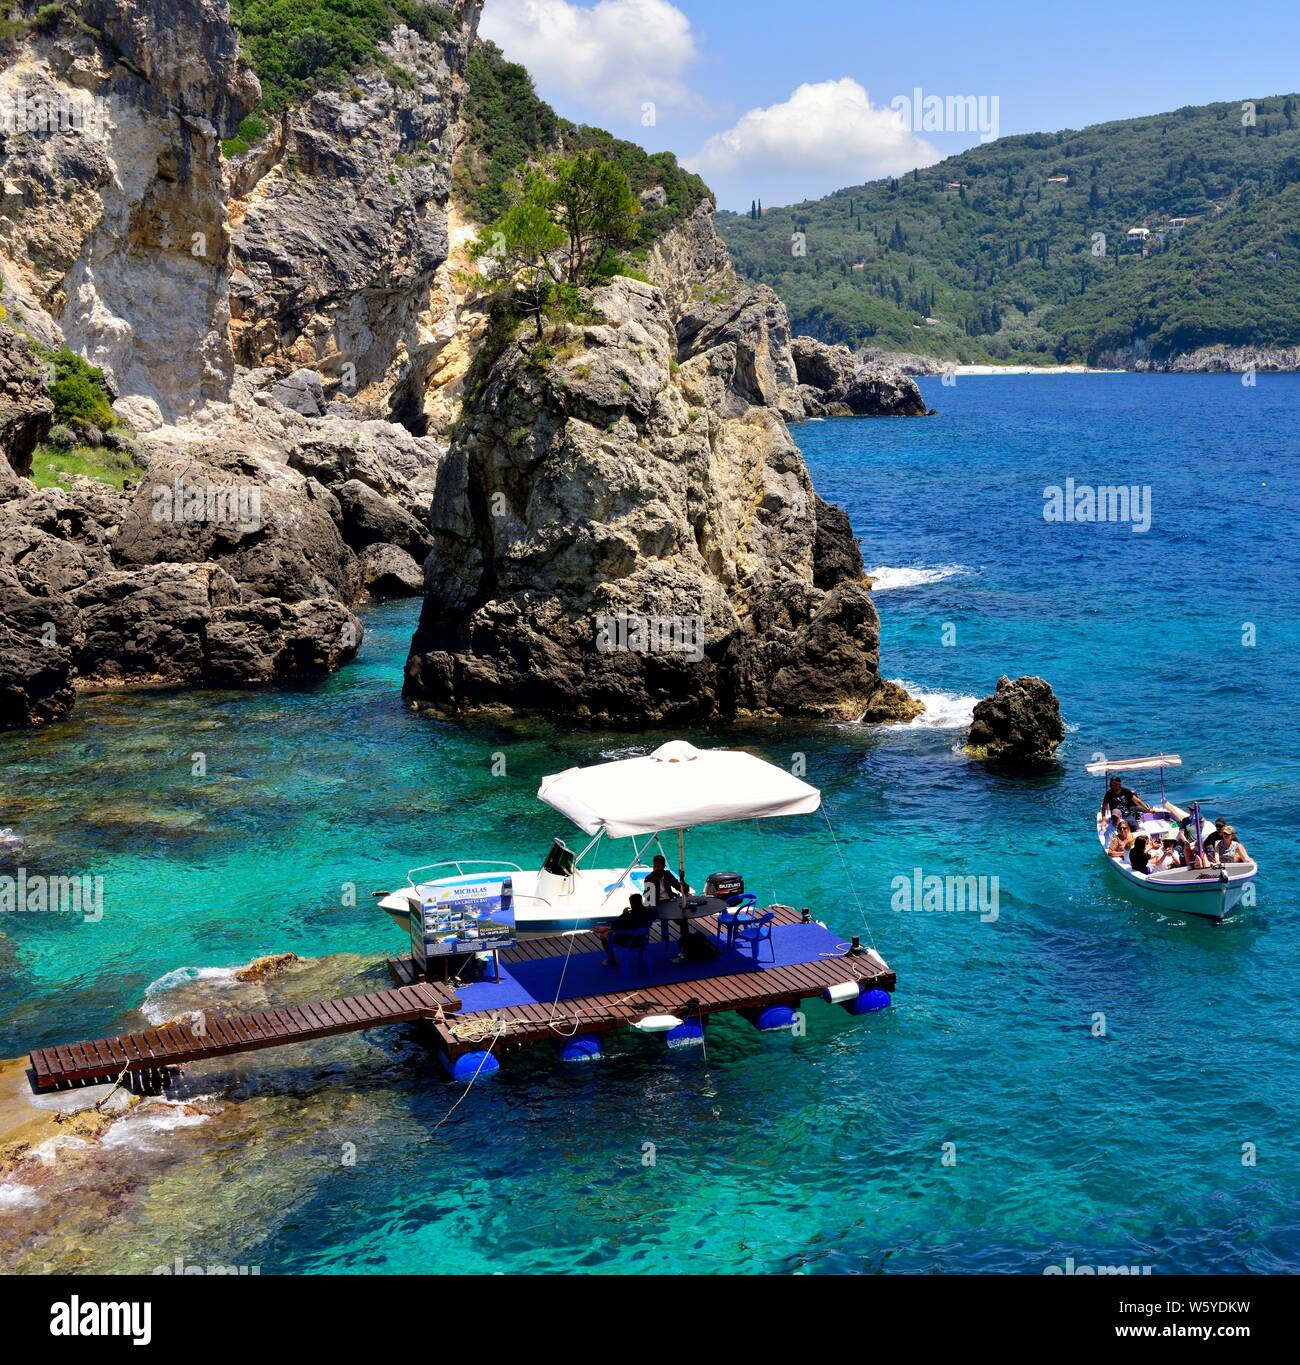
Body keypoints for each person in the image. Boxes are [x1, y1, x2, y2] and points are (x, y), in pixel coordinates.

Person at [595, 893, 656, 968]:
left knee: (603, 936)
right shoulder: (650, 912)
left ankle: (612, 960)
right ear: (641, 901)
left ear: (631, 904)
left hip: (629, 942)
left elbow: (615, 925)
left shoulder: (628, 916)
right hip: (643, 940)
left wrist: (623, 914)